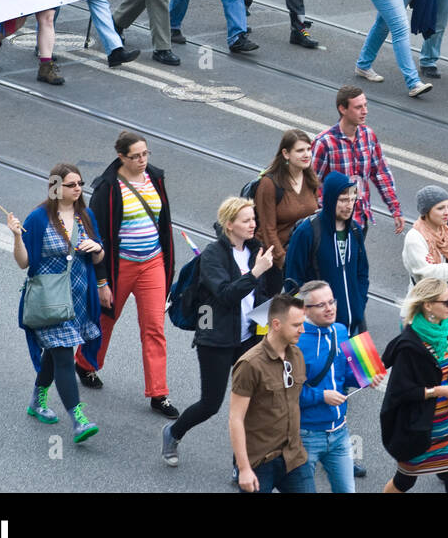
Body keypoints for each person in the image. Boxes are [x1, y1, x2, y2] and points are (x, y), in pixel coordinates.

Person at [162, 197, 279, 468]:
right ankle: (173, 432)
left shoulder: (255, 249)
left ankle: (243, 466)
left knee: (251, 403)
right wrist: (255, 272)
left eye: (253, 219)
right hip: (215, 337)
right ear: (229, 225)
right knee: (210, 403)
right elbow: (226, 296)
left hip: (249, 338)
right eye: (246, 220)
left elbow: (260, 294)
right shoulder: (214, 254)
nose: (253, 224)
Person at [74, 132, 177, 417]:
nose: (143, 160)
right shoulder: (107, 188)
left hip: (152, 263)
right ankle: (85, 363)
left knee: (154, 327)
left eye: (146, 154)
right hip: (120, 266)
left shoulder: (155, 178)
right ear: (121, 157)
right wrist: (102, 282)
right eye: (136, 156)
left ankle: (159, 394)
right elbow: (95, 236)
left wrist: (168, 265)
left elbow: (163, 222)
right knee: (105, 318)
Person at [7, 164, 105, 444]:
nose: (78, 189)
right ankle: (78, 419)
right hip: (49, 301)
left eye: (80, 184)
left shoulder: (86, 216)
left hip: (78, 298)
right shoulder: (38, 219)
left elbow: (98, 258)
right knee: (63, 355)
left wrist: (97, 249)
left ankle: (37, 399)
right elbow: (24, 262)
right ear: (55, 187)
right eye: (71, 184)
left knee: (56, 351)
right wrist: (16, 236)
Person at [379, 278, 448, 493]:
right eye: (447, 301)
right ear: (428, 305)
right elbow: (401, 391)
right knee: (404, 482)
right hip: (421, 426)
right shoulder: (410, 345)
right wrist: (440, 391)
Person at [289, 280, 383, 493]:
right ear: (305, 309)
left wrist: (366, 378)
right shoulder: (295, 342)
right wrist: (322, 396)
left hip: (340, 432)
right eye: (321, 305)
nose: (330, 308)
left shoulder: (340, 330)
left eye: (331, 301)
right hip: (305, 435)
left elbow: (344, 376)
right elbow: (286, 393)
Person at [229, 293, 307, 493]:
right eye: (296, 325)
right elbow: (235, 419)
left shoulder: (297, 355)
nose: (302, 330)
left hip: (294, 458)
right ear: (276, 324)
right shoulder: (250, 364)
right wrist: (244, 468)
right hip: (260, 463)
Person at [311, 86, 404, 238]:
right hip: (334, 223)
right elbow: (311, 183)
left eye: (365, 105)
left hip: (360, 221)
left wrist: (395, 209)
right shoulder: (324, 143)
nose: (365, 111)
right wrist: (326, 214)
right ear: (343, 109)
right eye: (358, 107)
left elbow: (381, 174)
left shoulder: (368, 135)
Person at [283, 173, 370, 335]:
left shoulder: (355, 230)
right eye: (343, 200)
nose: (349, 205)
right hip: (321, 330)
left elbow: (362, 273)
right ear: (330, 200)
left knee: (360, 362)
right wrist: (311, 314)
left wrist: (359, 303)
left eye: (352, 199)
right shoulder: (307, 232)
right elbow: (293, 282)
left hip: (354, 327)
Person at [253, 129, 320, 274]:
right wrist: (284, 261)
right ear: (286, 154)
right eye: (300, 150)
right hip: (273, 262)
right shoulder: (269, 184)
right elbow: (267, 229)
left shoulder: (310, 180)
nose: (307, 154)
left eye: (309, 149)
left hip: (302, 257)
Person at [403, 185, 448, 319]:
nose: (447, 212)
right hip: (421, 310)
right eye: (440, 208)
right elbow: (427, 275)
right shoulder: (415, 237)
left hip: (447, 308)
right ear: (426, 211)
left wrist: (447, 276)